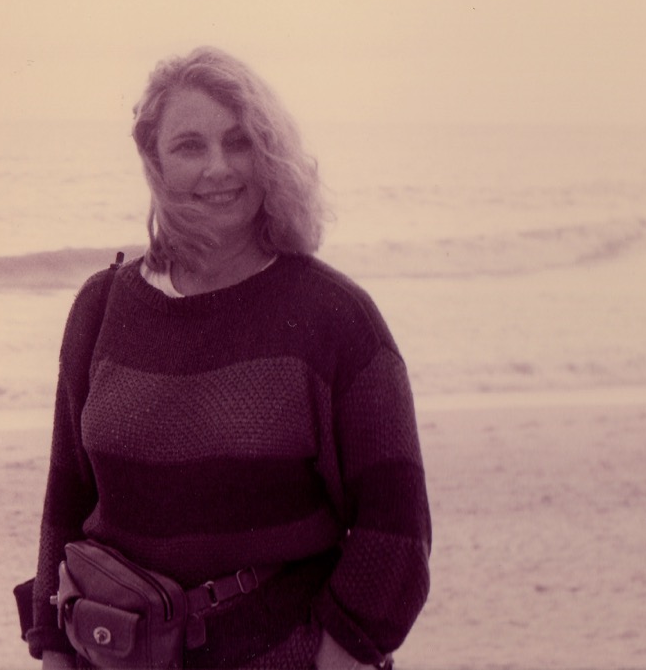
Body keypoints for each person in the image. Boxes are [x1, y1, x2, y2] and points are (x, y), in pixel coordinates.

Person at [26, 47, 431, 669]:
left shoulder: (336, 319)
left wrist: (337, 656)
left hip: (280, 654)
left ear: (267, 155)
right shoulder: (101, 307)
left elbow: (396, 532)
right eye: (190, 146)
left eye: (239, 142)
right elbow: (66, 502)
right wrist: (53, 646)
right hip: (111, 655)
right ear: (153, 160)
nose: (219, 168)